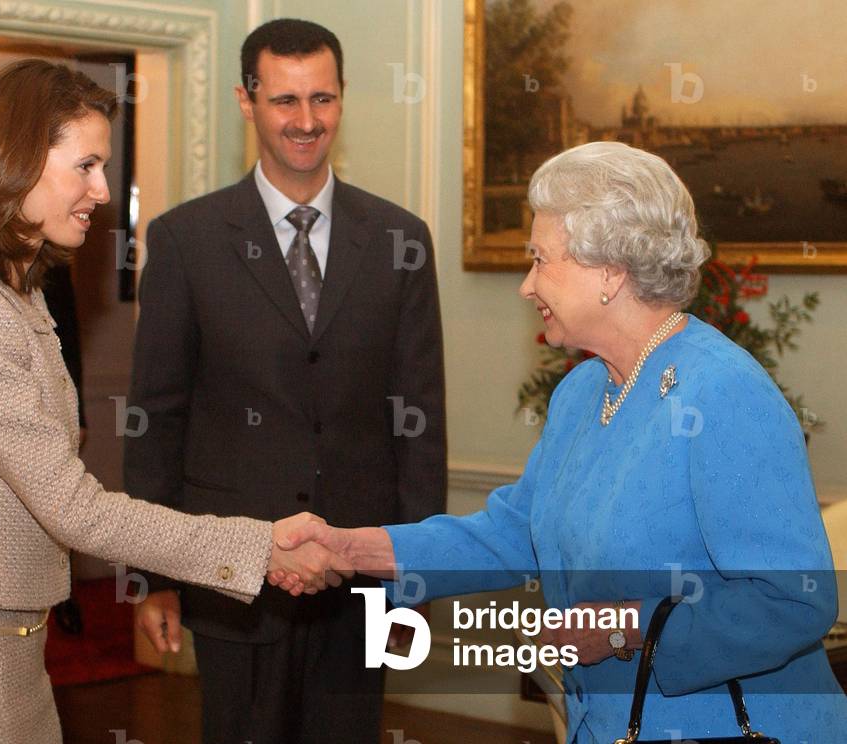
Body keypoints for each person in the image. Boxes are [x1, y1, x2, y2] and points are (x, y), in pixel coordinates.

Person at [278, 141, 847, 742]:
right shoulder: (582, 391)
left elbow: (795, 601)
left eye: (540, 259)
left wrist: (626, 629)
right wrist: (349, 549)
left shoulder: (724, 393)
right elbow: (514, 530)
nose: (526, 286)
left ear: (609, 271)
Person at [0, 59, 347, 744]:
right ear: (17, 161)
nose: (101, 189)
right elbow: (73, 509)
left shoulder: (17, 296)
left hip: (7, 648)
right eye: (85, 165)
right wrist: (258, 545)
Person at [124, 18, 447, 744]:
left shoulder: (400, 239)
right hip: (232, 571)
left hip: (360, 571)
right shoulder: (184, 240)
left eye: (323, 100)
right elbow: (157, 415)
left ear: (341, 100)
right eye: (284, 101)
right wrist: (157, 575)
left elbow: (418, 412)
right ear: (247, 100)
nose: (306, 122)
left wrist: (416, 565)